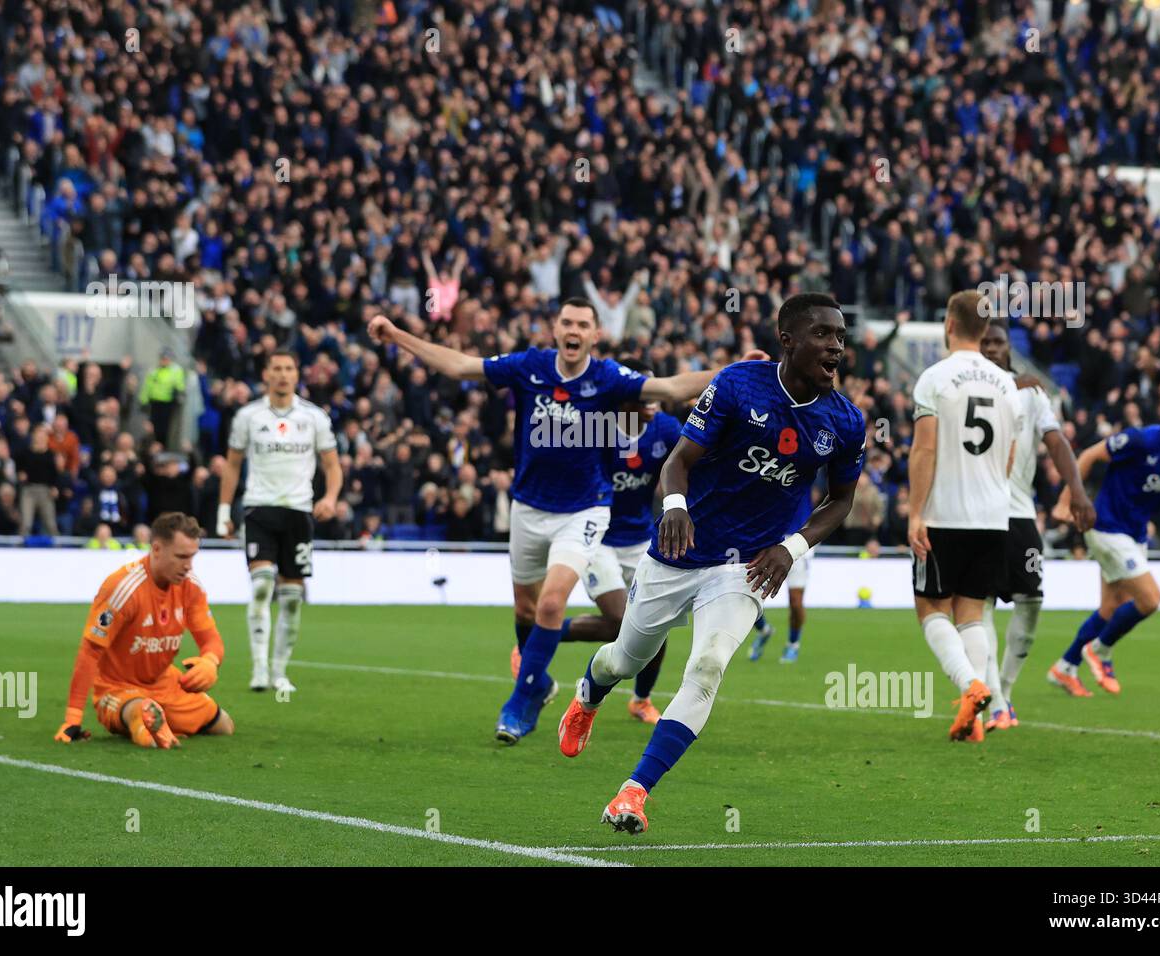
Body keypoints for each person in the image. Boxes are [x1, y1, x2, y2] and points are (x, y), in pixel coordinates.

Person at [369, 302, 753, 745]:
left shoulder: (607, 377)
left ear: (595, 334)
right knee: (525, 611)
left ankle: (520, 701)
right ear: (555, 329)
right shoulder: (529, 367)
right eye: (567, 322)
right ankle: (538, 682)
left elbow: (669, 385)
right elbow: (459, 366)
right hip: (528, 507)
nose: (573, 330)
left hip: (584, 510)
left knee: (552, 605)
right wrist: (398, 335)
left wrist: (735, 370)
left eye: (583, 325)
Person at [556, 293, 864, 834]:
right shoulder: (737, 385)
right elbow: (680, 460)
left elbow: (840, 500)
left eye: (840, 337)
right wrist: (675, 506)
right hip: (681, 550)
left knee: (708, 666)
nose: (836, 347)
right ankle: (587, 696)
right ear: (787, 341)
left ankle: (633, 793)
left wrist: (791, 547)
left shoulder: (845, 421)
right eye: (823, 335)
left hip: (746, 566)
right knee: (624, 660)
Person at [514, 357, 683, 724]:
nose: (652, 403)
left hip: (642, 539)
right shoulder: (600, 429)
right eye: (645, 397)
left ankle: (640, 698)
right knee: (624, 618)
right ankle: (540, 643)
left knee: (654, 621)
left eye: (655, 396)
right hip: (599, 535)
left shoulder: (666, 429)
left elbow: (687, 463)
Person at [907, 291, 1023, 743]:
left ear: (950, 325)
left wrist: (916, 512)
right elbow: (1010, 454)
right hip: (995, 517)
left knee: (931, 608)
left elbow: (925, 449)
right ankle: (974, 717)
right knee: (971, 614)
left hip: (944, 513)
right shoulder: (1007, 384)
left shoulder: (935, 378)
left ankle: (970, 687)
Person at [1048, 388, 1160, 696]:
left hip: (1134, 533)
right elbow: (1086, 456)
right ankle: (1100, 650)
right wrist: (1065, 500)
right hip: (1106, 526)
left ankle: (1065, 666)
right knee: (1150, 600)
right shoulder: (1141, 440)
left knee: (1110, 608)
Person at [978, 320, 1095, 727]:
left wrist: (1076, 489)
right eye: (984, 342)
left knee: (1032, 603)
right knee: (981, 609)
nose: (992, 348)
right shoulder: (961, 388)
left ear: (1008, 349)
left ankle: (1003, 691)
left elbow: (1056, 441)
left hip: (1020, 516)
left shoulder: (1032, 393)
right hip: (973, 518)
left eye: (998, 343)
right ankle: (994, 702)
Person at [217, 350, 343, 693]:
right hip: (259, 508)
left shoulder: (314, 417)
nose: (283, 375)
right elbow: (231, 465)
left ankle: (279, 671)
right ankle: (258, 668)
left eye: (289, 368)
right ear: (266, 375)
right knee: (261, 585)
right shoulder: (248, 416)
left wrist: (330, 498)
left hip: (299, 512)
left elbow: (332, 465)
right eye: (277, 369)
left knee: (290, 598)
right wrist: (223, 512)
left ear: (297, 374)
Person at [54, 512, 235, 749]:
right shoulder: (123, 587)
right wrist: (73, 719)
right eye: (181, 557)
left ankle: (154, 721)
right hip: (117, 688)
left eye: (192, 557)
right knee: (136, 708)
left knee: (224, 726)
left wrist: (210, 662)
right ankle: (142, 721)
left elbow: (211, 640)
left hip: (164, 684)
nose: (188, 566)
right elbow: (90, 651)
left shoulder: (190, 587)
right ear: (157, 549)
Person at [747, 488, 815, 663]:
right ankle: (764, 630)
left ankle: (793, 644)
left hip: (800, 540)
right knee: (747, 594)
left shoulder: (808, 462)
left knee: (795, 601)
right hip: (769, 538)